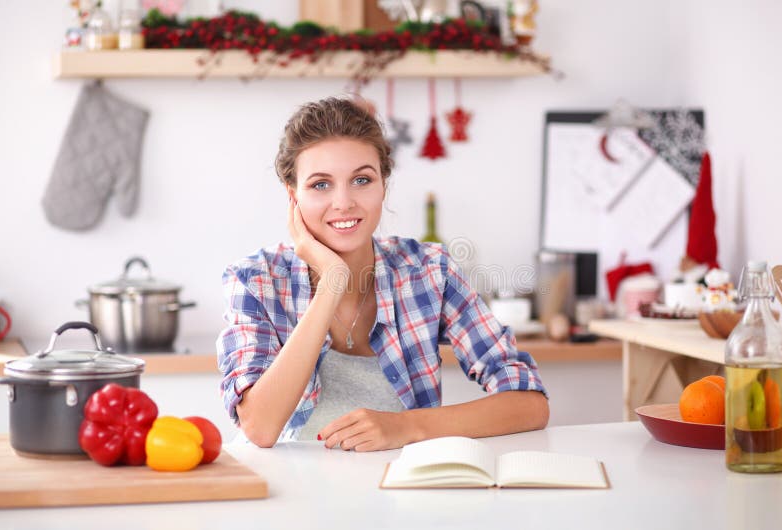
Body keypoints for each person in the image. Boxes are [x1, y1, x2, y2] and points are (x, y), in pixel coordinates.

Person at [216, 96, 549, 451]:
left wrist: (407, 427)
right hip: (288, 491)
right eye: (320, 184)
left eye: (361, 180)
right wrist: (332, 282)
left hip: (398, 489)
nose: (344, 202)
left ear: (383, 186)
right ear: (292, 195)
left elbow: (529, 404)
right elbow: (260, 428)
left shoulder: (429, 271)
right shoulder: (255, 280)